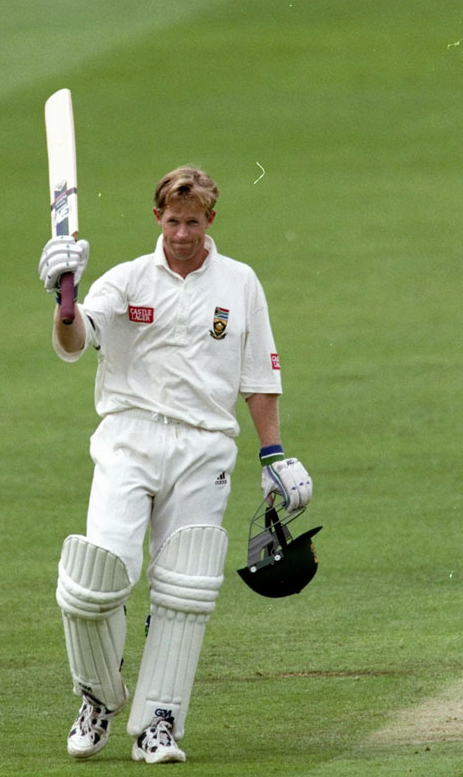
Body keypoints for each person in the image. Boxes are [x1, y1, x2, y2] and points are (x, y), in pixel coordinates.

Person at [38, 166, 312, 764]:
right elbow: (74, 342)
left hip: (204, 445)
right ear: (157, 218)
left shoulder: (239, 283)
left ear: (210, 220)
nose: (182, 233)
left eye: (192, 222)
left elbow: (260, 376)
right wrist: (63, 303)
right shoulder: (127, 279)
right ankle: (97, 697)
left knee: (185, 587)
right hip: (128, 438)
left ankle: (159, 722)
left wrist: (274, 454)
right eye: (171, 221)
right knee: (94, 579)